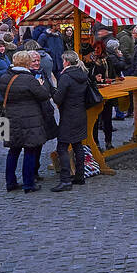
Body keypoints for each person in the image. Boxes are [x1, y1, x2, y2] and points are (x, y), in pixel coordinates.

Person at [0, 49, 53, 193]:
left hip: (11, 118)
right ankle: (28, 183)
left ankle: (10, 182)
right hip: (29, 118)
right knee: (30, 150)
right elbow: (43, 95)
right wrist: (40, 84)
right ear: (27, 63)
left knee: (13, 151)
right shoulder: (29, 79)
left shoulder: (5, 77)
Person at [50, 51, 95, 192]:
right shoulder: (82, 74)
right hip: (80, 113)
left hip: (68, 115)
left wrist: (52, 89)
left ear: (67, 62)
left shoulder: (66, 77)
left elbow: (58, 98)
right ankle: (80, 176)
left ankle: (65, 180)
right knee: (77, 145)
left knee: (62, 147)